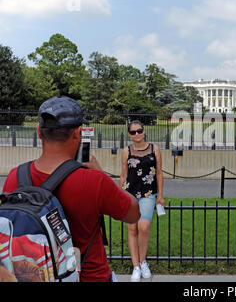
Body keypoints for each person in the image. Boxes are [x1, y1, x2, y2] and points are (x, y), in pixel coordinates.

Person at [2, 96, 140, 282]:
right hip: (90, 276)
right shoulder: (93, 180)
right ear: (77, 133)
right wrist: (99, 171)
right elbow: (133, 213)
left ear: (39, 131)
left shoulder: (15, 176)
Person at [120, 120, 165, 282]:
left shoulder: (155, 149)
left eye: (139, 131)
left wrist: (160, 195)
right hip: (130, 194)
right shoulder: (126, 151)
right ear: (129, 135)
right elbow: (123, 175)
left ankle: (143, 260)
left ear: (144, 131)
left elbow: (159, 173)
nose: (137, 134)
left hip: (148, 193)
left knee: (143, 227)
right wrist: (121, 194)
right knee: (132, 229)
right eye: (133, 132)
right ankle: (136, 266)